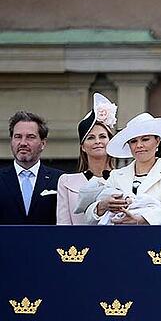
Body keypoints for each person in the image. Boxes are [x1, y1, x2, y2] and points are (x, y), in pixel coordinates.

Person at [84, 113, 161, 225]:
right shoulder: (116, 175)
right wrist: (102, 206)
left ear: (157, 141)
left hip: (155, 235)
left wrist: (142, 219)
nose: (139, 145)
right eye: (133, 141)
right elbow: (88, 218)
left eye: (145, 139)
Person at [56, 93, 117, 225]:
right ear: (83, 147)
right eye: (91, 137)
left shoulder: (123, 177)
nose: (97, 141)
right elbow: (63, 225)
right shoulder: (66, 181)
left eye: (102, 136)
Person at [0, 111, 64, 224]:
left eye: (30, 137)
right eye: (18, 137)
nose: (23, 143)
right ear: (11, 141)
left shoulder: (61, 180)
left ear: (43, 144)